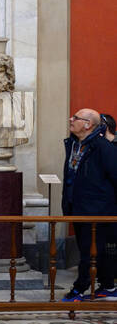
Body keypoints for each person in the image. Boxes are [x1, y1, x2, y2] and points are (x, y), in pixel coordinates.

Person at [62, 110, 117, 301]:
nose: (71, 119)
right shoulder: (73, 144)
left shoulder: (103, 147)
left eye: (76, 118)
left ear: (87, 125)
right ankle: (107, 285)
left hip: (97, 211)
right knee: (90, 250)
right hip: (77, 208)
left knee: (88, 252)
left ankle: (79, 289)